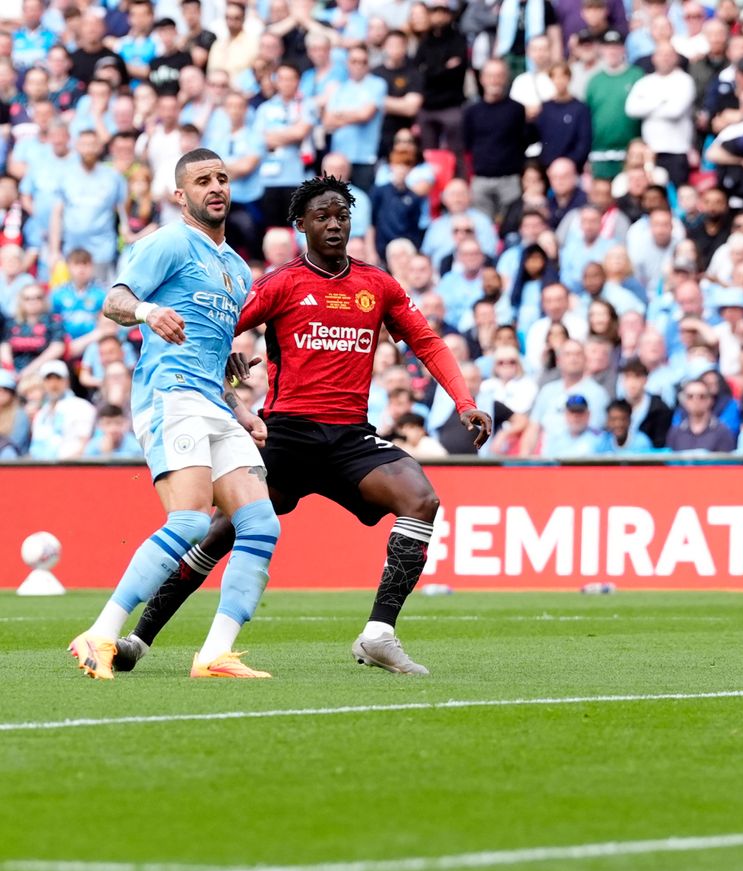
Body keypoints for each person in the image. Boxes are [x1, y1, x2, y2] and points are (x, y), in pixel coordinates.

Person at [117, 174, 492, 678]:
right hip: (286, 434)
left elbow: (426, 341)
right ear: (301, 226)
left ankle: (379, 634)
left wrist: (464, 401)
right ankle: (139, 638)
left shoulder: (377, 285)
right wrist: (225, 356)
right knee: (222, 530)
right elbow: (218, 327)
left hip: (349, 437)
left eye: (342, 216)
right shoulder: (281, 283)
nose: (334, 224)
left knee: (421, 499)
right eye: (323, 217)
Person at [66, 148, 279, 681]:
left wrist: (237, 397)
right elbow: (115, 301)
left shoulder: (235, 267)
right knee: (187, 521)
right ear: (181, 196)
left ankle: (214, 655)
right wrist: (147, 311)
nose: (216, 187)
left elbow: (207, 351)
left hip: (211, 402)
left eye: (223, 179)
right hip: (170, 397)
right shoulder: (167, 241)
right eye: (203, 180)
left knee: (260, 523)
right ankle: (99, 634)